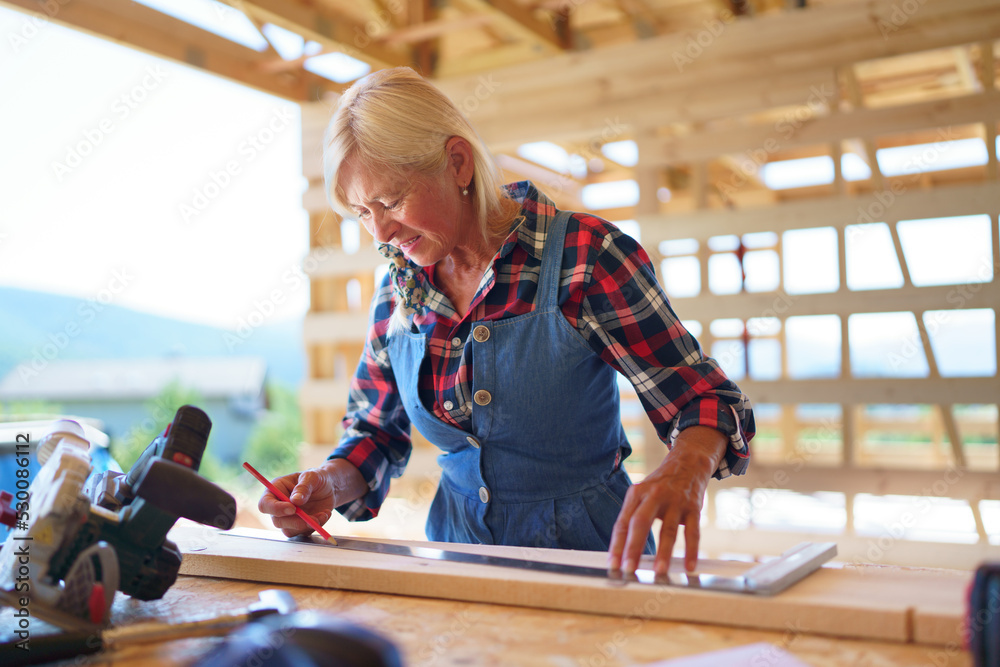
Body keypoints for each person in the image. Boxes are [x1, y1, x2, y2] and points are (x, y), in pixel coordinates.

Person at [258, 67, 754, 578]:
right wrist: (326, 484)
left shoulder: (587, 256)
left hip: (598, 563)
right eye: (363, 212)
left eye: (391, 201)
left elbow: (704, 400)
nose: (380, 231)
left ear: (457, 163)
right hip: (460, 564)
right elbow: (375, 434)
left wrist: (685, 468)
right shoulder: (397, 293)